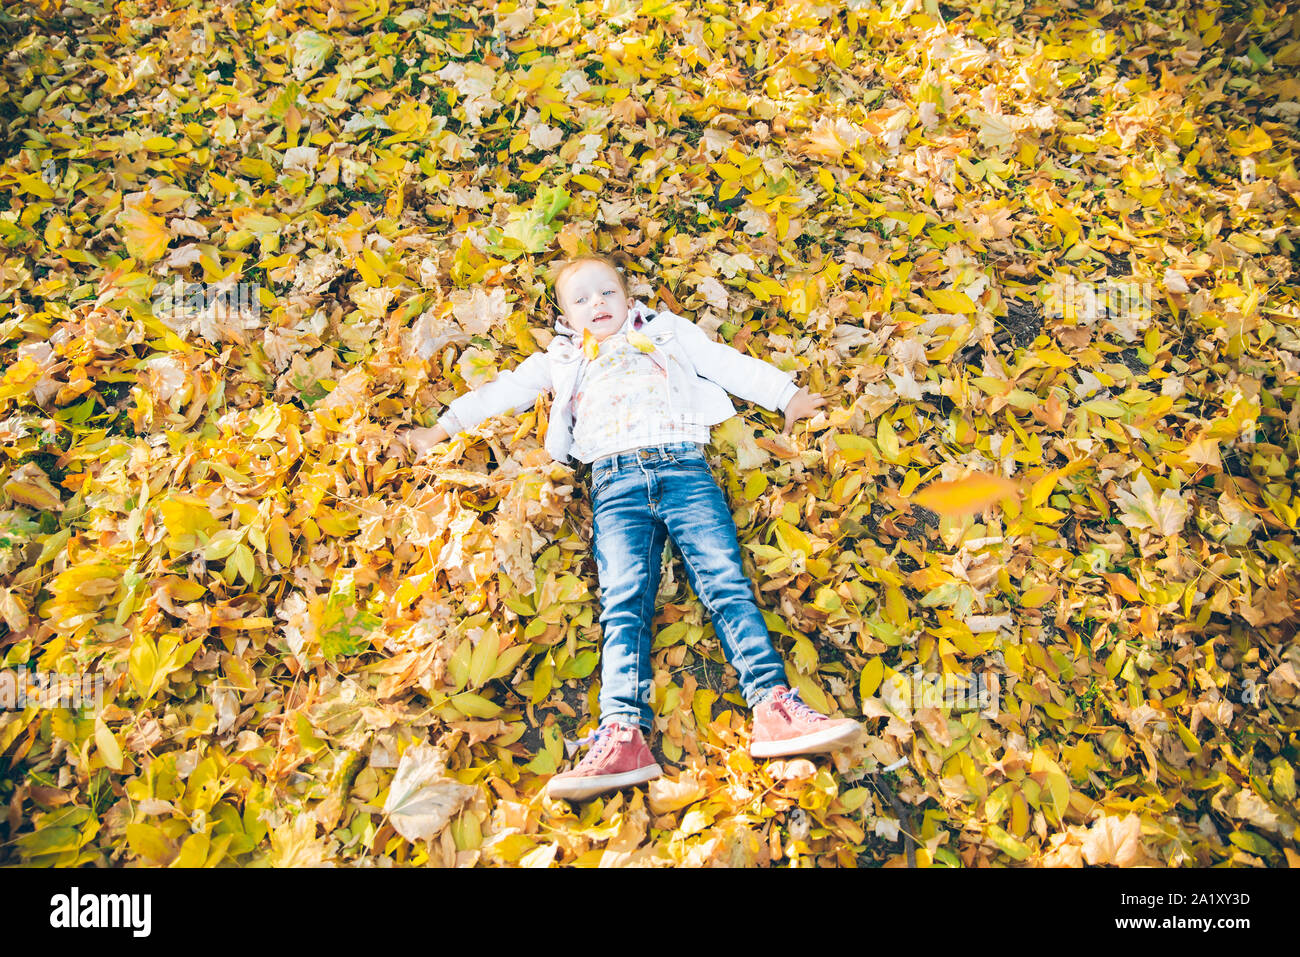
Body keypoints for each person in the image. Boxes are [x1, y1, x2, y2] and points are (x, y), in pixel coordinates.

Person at [397, 254, 863, 801]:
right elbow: (502, 392)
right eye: (582, 299)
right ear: (566, 317)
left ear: (628, 298)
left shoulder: (665, 332)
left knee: (725, 581)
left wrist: (787, 395)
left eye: (606, 293)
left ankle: (773, 705)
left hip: (683, 468)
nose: (597, 304)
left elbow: (724, 362)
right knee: (624, 599)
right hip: (614, 484)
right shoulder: (562, 357)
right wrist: (441, 428)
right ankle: (623, 733)